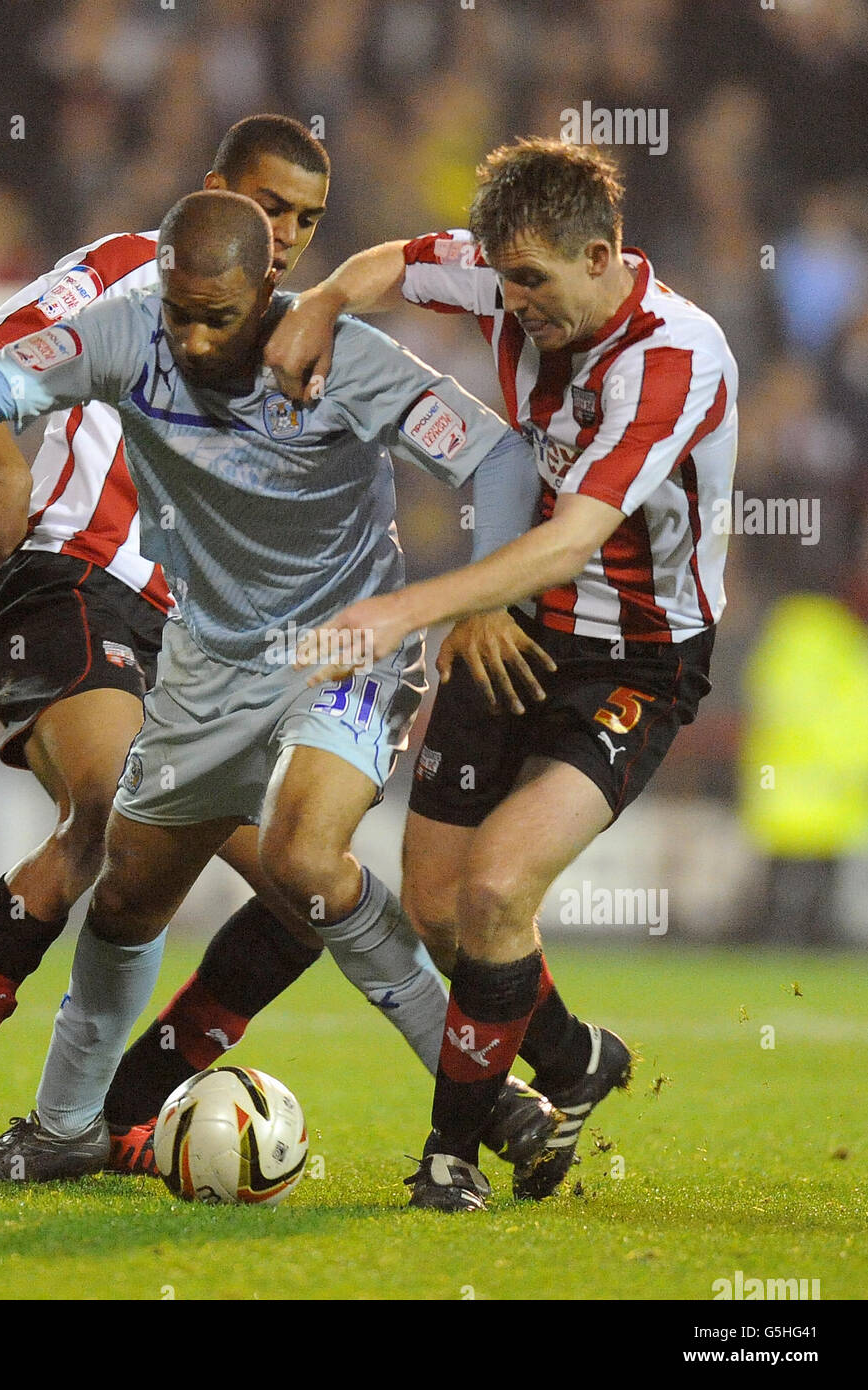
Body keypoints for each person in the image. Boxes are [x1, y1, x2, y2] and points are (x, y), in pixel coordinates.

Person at [0, 189, 552, 1187]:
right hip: (206, 660)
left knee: (301, 854)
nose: (196, 340)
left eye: (219, 315)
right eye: (181, 313)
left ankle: (483, 1093)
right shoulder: (127, 330)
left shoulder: (351, 361)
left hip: (344, 649)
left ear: (271, 284)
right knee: (124, 892)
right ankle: (70, 1124)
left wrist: (488, 594)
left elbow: (499, 458)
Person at [266, 137, 739, 1210]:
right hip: (510, 623)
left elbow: (572, 539)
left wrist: (406, 608)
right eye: (500, 276)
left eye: (530, 280)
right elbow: (390, 262)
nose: (510, 299)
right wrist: (321, 301)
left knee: (493, 887)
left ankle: (450, 1157)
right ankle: (573, 1063)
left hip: (635, 657)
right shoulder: (503, 266)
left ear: (602, 253)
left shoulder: (675, 356)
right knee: (436, 906)